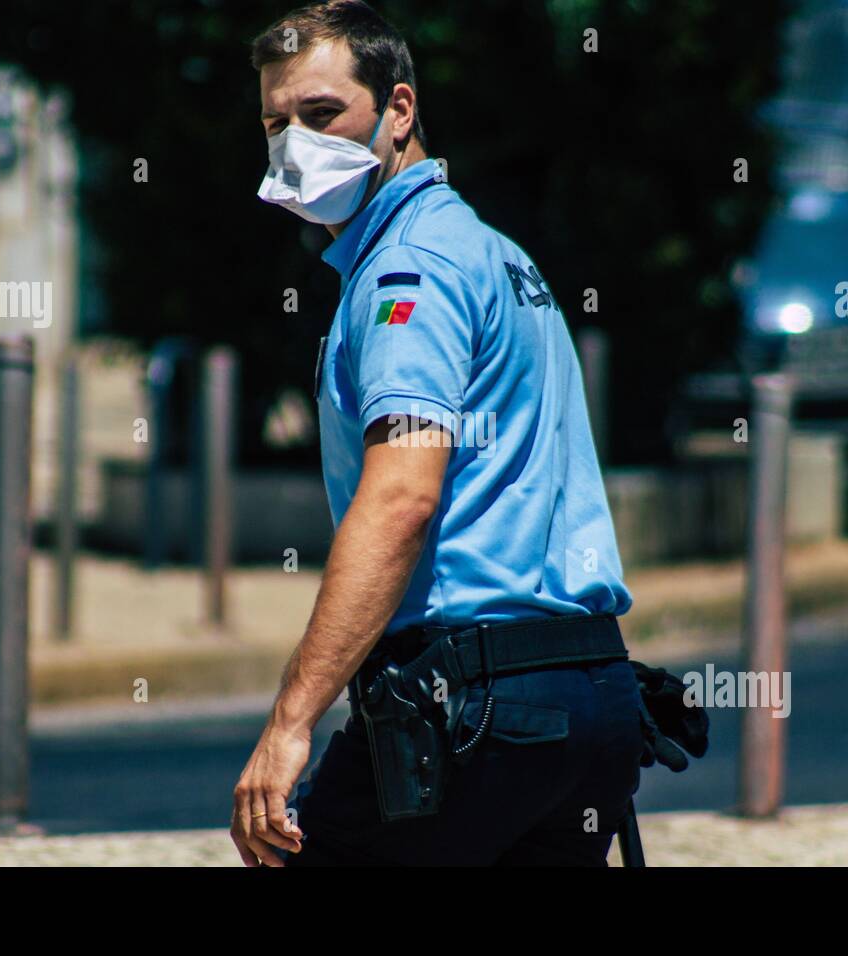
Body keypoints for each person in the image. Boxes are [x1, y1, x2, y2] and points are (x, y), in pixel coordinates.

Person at [232, 0, 646, 867]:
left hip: (476, 704)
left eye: (321, 114)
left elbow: (403, 497)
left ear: (400, 111)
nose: (295, 145)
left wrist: (291, 721)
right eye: (277, 123)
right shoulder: (495, 253)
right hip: (589, 692)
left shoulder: (405, 272)